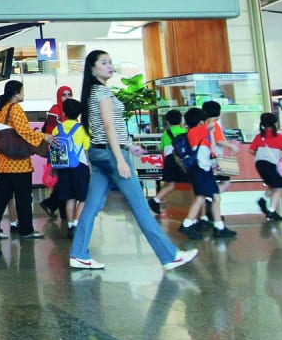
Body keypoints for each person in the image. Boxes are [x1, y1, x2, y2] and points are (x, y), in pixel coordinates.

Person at [69, 49, 197, 271]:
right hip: (111, 154)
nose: (109, 66)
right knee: (139, 206)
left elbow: (106, 128)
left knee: (91, 206)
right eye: (103, 63)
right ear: (92, 68)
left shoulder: (92, 92)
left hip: (99, 153)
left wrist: (129, 145)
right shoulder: (103, 93)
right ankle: (169, 256)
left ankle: (78, 254)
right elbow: (108, 126)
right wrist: (120, 158)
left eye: (110, 62)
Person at [0, 80, 53, 240]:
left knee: (1, 197)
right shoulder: (16, 109)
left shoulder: (0, 110)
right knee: (23, 197)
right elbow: (24, 131)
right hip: (18, 164)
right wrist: (44, 137)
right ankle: (26, 230)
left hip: (2, 163)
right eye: (22, 91)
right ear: (16, 93)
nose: (23, 94)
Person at [179, 108, 237, 239]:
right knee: (201, 198)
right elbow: (211, 125)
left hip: (205, 169)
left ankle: (219, 226)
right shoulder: (195, 131)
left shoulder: (197, 132)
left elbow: (210, 148)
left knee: (215, 197)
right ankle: (187, 224)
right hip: (200, 170)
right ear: (200, 121)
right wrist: (211, 121)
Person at [52, 98, 90, 238]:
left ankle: (69, 226)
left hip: (63, 167)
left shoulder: (57, 128)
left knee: (70, 197)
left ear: (64, 112)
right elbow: (86, 150)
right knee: (84, 197)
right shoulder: (83, 129)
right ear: (79, 114)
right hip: (80, 166)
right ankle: (75, 223)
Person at [249, 112, 282, 221]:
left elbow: (251, 150)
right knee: (279, 188)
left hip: (260, 163)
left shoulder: (259, 137)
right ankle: (271, 211)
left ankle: (264, 200)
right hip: (272, 164)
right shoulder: (279, 137)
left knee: (273, 186)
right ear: (275, 123)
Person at [40, 85, 73, 219]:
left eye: (69, 94)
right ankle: (56, 207)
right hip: (57, 149)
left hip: (68, 151)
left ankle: (53, 205)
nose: (67, 97)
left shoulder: (70, 110)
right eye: (64, 95)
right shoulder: (55, 110)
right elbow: (50, 132)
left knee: (63, 181)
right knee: (63, 181)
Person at [148, 109, 187, 215]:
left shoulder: (166, 133)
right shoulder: (185, 132)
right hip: (182, 162)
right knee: (189, 184)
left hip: (169, 161)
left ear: (168, 122)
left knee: (170, 184)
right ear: (181, 121)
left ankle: (156, 200)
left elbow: (162, 149)